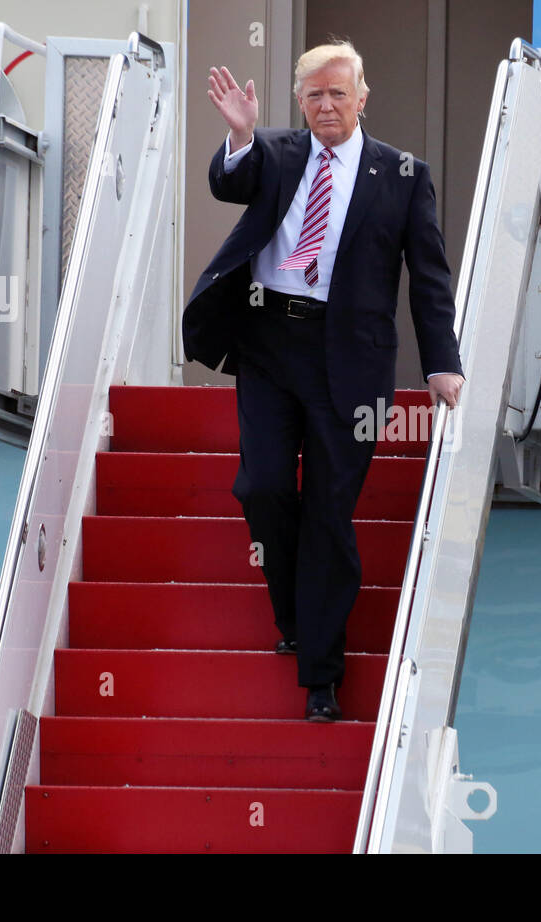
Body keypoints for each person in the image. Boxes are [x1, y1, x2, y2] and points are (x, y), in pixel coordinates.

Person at [181, 41, 465, 721]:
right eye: (315, 94)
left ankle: (322, 675)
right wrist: (241, 134)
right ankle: (295, 615)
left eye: (339, 93)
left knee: (330, 514)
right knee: (264, 485)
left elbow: (428, 277)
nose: (327, 105)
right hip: (270, 342)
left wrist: (441, 361)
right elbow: (230, 182)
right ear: (300, 101)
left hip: (352, 356)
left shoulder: (402, 173)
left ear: (362, 97)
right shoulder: (275, 152)